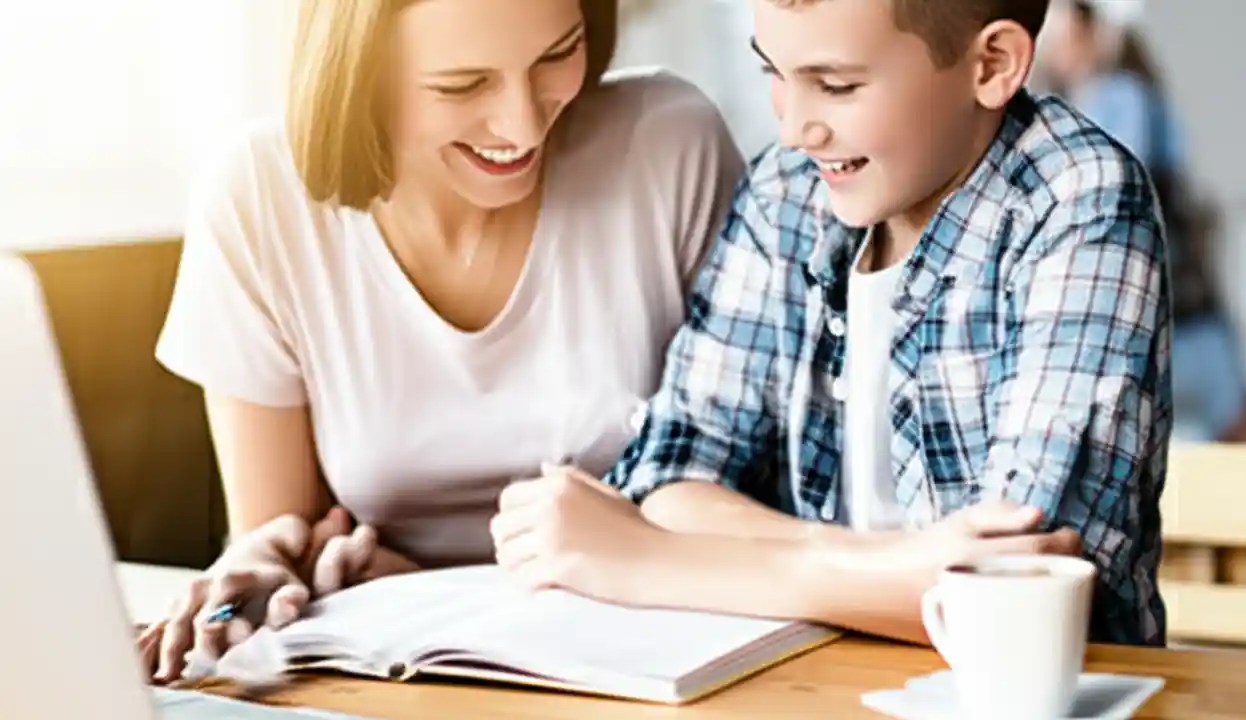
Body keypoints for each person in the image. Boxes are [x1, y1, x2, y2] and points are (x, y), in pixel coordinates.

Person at [492, 0, 1172, 647]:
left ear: (991, 65)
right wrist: (893, 564)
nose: (794, 130)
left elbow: (1020, 588)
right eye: (774, 73)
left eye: (837, 85)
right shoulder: (785, 192)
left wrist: (650, 564)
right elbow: (671, 479)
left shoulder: (1079, 200)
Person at [138, 0, 744, 682]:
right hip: (399, 668)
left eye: (556, 54)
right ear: (355, 74)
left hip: (660, 658)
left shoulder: (666, 146)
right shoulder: (258, 199)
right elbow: (281, 535)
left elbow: (754, 508)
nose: (523, 123)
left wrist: (461, 587)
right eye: (462, 85)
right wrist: (275, 571)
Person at [1045, 0, 1246, 442]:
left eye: (1061, 31)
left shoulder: (1119, 98)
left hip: (1166, 319)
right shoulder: (1109, 98)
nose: (1052, 45)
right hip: (1184, 322)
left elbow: (1108, 191)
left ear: (1095, 34)